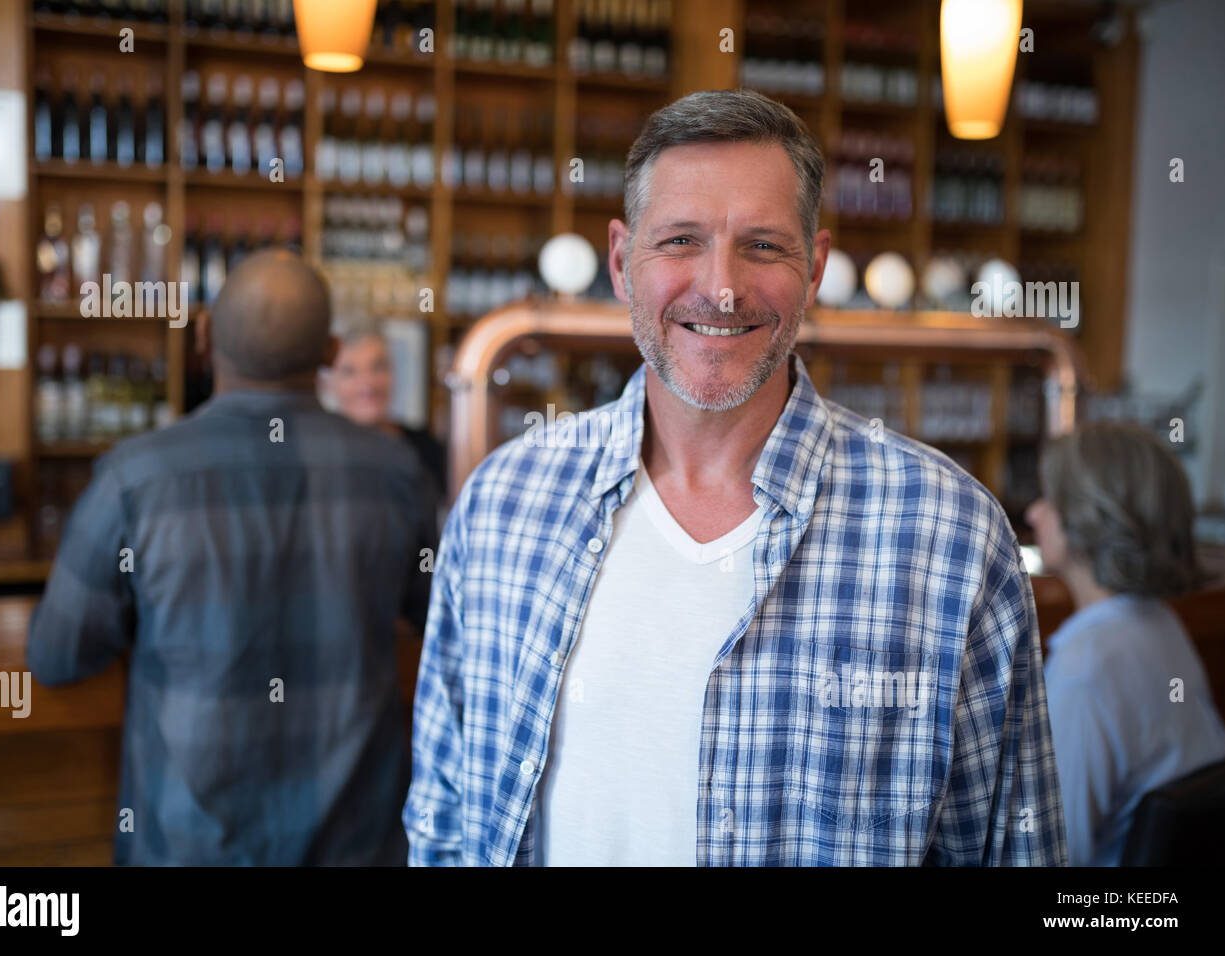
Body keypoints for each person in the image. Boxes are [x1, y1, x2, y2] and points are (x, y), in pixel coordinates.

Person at [403, 89, 1066, 866]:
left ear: (815, 268)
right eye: (681, 240)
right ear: (622, 263)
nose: (721, 287)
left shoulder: (950, 534)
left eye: (761, 246)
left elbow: (1013, 851)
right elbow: (443, 824)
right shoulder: (501, 505)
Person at [28, 250, 436, 865]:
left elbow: (58, 657)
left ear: (205, 338)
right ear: (329, 354)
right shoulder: (397, 474)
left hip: (187, 845)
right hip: (358, 842)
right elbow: (441, 623)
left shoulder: (134, 478)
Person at [1028, 422, 1225, 866]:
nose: (1033, 513)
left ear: (1089, 517)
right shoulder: (1159, 623)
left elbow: (1050, 856)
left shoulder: (1086, 667)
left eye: (1051, 500)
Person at [324, 316, 447, 500]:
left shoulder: (424, 448)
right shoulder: (321, 455)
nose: (367, 384)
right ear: (329, 383)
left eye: (378, 367)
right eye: (349, 372)